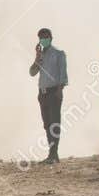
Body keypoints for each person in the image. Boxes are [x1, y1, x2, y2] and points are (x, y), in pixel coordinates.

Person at [28, 28, 68, 164]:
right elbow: (32, 72)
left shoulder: (58, 54)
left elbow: (63, 75)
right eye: (41, 37)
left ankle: (54, 153)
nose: (43, 39)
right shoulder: (41, 55)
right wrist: (37, 57)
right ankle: (51, 153)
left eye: (46, 36)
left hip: (54, 92)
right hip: (42, 92)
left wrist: (59, 90)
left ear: (51, 37)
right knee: (47, 124)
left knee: (54, 123)